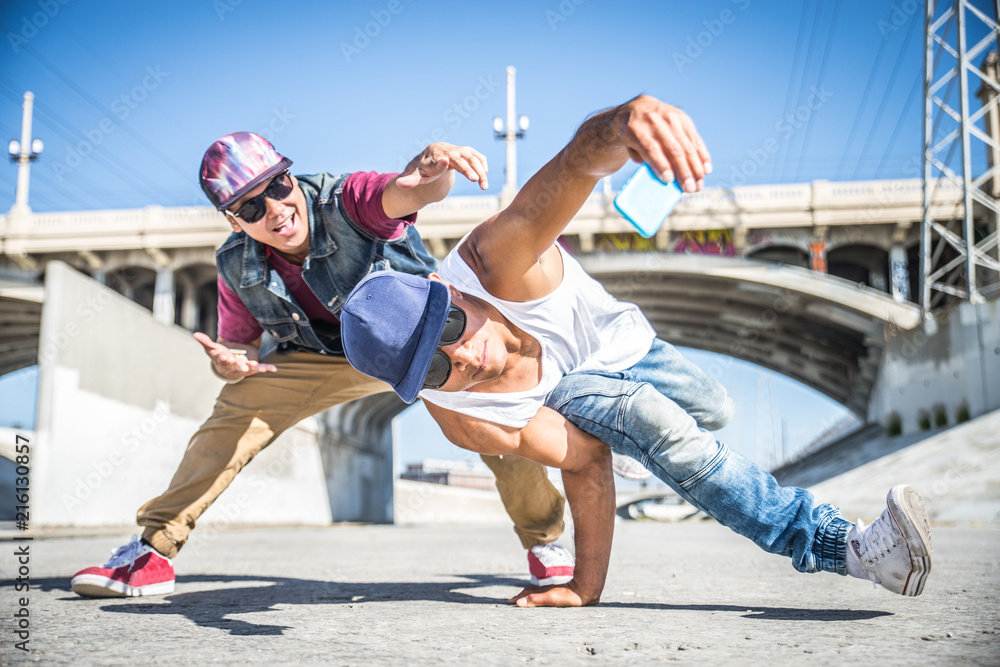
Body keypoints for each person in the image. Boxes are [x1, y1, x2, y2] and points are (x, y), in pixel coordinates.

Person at [339, 94, 934, 607]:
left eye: (449, 330)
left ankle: (635, 442)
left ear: (445, 289)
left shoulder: (496, 257)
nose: (466, 359)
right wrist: (585, 587)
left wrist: (623, 124)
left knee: (716, 407)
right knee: (651, 420)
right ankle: (847, 547)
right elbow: (582, 464)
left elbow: (575, 165)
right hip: (566, 393)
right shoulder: (470, 421)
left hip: (623, 344)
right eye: (435, 370)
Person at [70, 132, 577, 597]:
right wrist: (232, 365)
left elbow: (409, 192)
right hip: (320, 358)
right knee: (236, 410)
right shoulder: (234, 264)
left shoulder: (344, 200)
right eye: (251, 207)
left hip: (420, 342)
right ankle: (151, 552)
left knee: (494, 424)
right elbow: (241, 349)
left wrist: (430, 173)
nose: (275, 210)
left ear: (291, 177)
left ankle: (545, 542)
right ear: (233, 220)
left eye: (277, 187)